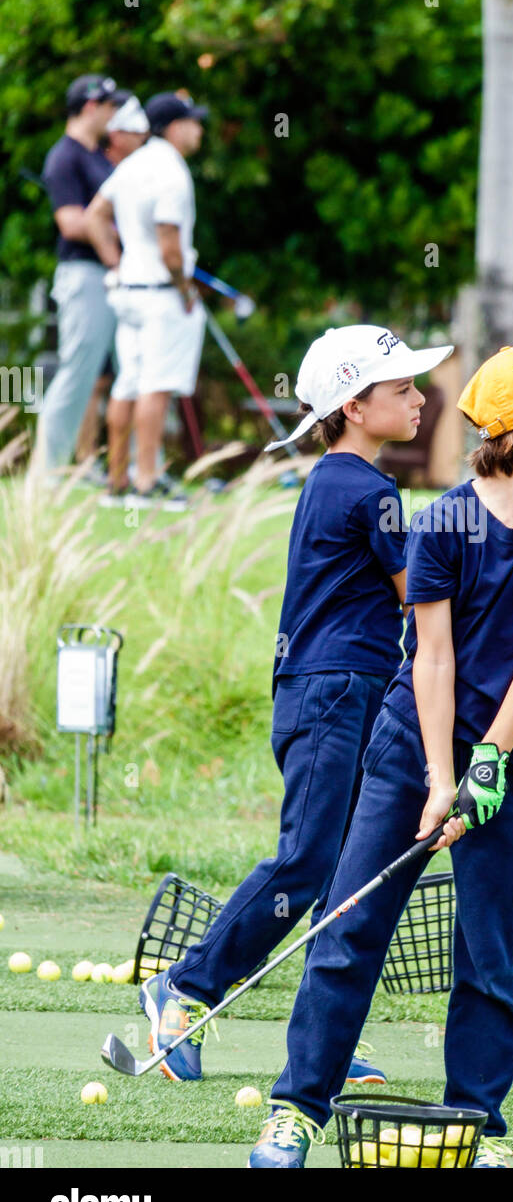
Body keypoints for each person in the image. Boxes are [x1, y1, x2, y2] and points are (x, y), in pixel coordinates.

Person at [246, 345, 513, 1169]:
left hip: (509, 760)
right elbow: (431, 658)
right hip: (409, 748)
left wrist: (489, 765)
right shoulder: (438, 523)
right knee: (352, 923)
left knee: (487, 948)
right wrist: (439, 777)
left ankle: (473, 1124)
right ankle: (296, 1110)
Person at [136, 323, 454, 1085]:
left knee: (344, 873)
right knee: (308, 862)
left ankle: (323, 1048)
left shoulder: (346, 482)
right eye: (402, 388)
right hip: (331, 692)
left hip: (346, 690)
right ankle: (185, 987)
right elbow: (419, 594)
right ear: (352, 404)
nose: (420, 399)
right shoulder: (366, 489)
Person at [84, 91, 208, 508]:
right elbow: (170, 243)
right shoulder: (171, 171)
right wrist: (184, 287)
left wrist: (115, 263)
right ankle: (147, 481)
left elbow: (94, 214)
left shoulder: (133, 163)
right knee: (155, 387)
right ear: (174, 127)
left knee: (128, 384)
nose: (199, 129)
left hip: (128, 292)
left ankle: (117, 482)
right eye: (193, 122)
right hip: (160, 294)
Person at [33, 74, 119, 474]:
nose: (113, 114)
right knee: (77, 372)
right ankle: (46, 471)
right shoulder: (63, 156)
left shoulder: (99, 156)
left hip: (109, 277)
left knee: (113, 375)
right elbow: (70, 223)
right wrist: (119, 232)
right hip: (83, 275)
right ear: (90, 106)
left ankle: (105, 469)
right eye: (108, 106)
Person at [75, 94, 151, 469]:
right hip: (105, 280)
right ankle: (88, 463)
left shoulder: (128, 167)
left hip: (123, 284)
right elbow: (85, 220)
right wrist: (119, 260)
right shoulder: (81, 159)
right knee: (98, 377)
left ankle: (126, 472)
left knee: (124, 378)